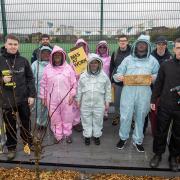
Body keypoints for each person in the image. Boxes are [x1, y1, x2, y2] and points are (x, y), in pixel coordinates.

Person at [113, 35, 159, 152]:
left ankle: (138, 140)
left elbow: (159, 75)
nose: (141, 45)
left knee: (141, 116)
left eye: (144, 44)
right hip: (128, 92)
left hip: (144, 93)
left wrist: (151, 78)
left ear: (147, 46)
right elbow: (118, 73)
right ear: (136, 45)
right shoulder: (128, 59)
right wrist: (120, 77)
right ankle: (123, 138)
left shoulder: (153, 60)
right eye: (140, 43)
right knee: (125, 116)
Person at [0, 34, 36, 160]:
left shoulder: (23, 61)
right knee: (10, 125)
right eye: (10, 44)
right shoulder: (0, 60)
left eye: (15, 44)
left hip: (23, 99)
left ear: (18, 46)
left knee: (26, 122)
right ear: (5, 44)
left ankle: (27, 143)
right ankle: (11, 147)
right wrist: (2, 79)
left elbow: (30, 79)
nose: (13, 46)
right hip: (7, 100)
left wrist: (32, 95)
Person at [149, 38, 180, 172]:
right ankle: (158, 154)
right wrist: (153, 100)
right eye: (178, 48)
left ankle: (173, 157)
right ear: (174, 49)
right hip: (165, 105)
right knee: (161, 131)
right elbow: (158, 84)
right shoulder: (166, 65)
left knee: (178, 134)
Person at [40, 45, 77, 143]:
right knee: (54, 117)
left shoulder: (68, 68)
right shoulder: (47, 69)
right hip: (51, 99)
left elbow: (74, 84)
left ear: (63, 56)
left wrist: (72, 95)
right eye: (55, 55)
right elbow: (43, 84)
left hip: (66, 98)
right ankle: (57, 135)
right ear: (52, 57)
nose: (57, 57)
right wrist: (43, 98)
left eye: (59, 55)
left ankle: (67, 134)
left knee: (67, 116)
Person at [76, 53, 111, 145]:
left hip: (99, 104)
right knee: (86, 120)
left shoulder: (104, 76)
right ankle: (87, 136)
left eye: (96, 63)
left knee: (98, 120)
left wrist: (107, 102)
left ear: (99, 64)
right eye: (92, 63)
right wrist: (78, 100)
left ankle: (96, 136)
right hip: (85, 103)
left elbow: (108, 90)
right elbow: (79, 89)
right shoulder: (83, 76)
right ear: (88, 64)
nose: (94, 64)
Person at [145, 36, 172, 136]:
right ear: (156, 45)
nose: (161, 46)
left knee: (160, 112)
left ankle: (159, 132)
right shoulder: (150, 56)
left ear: (166, 45)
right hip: (150, 88)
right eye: (159, 44)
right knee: (148, 111)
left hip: (164, 90)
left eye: (163, 44)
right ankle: (148, 130)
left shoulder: (170, 57)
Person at [109, 35, 131, 125]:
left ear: (127, 42)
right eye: (121, 41)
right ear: (118, 42)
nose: (122, 42)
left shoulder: (132, 53)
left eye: (124, 40)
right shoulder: (115, 53)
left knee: (129, 102)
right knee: (117, 102)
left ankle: (131, 119)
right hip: (118, 82)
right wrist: (112, 82)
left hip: (130, 83)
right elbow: (112, 68)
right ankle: (117, 116)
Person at [31, 46, 52, 129]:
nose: (46, 54)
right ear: (40, 54)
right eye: (43, 53)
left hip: (51, 93)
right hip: (39, 92)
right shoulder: (35, 64)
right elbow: (30, 78)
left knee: (50, 109)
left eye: (48, 53)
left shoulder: (54, 64)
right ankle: (40, 123)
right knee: (39, 109)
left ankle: (50, 122)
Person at [96, 40, 111, 120]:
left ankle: (105, 112)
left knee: (106, 96)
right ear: (98, 48)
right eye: (100, 47)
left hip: (106, 81)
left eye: (104, 47)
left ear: (107, 48)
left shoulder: (110, 58)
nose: (102, 48)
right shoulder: (94, 57)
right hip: (96, 81)